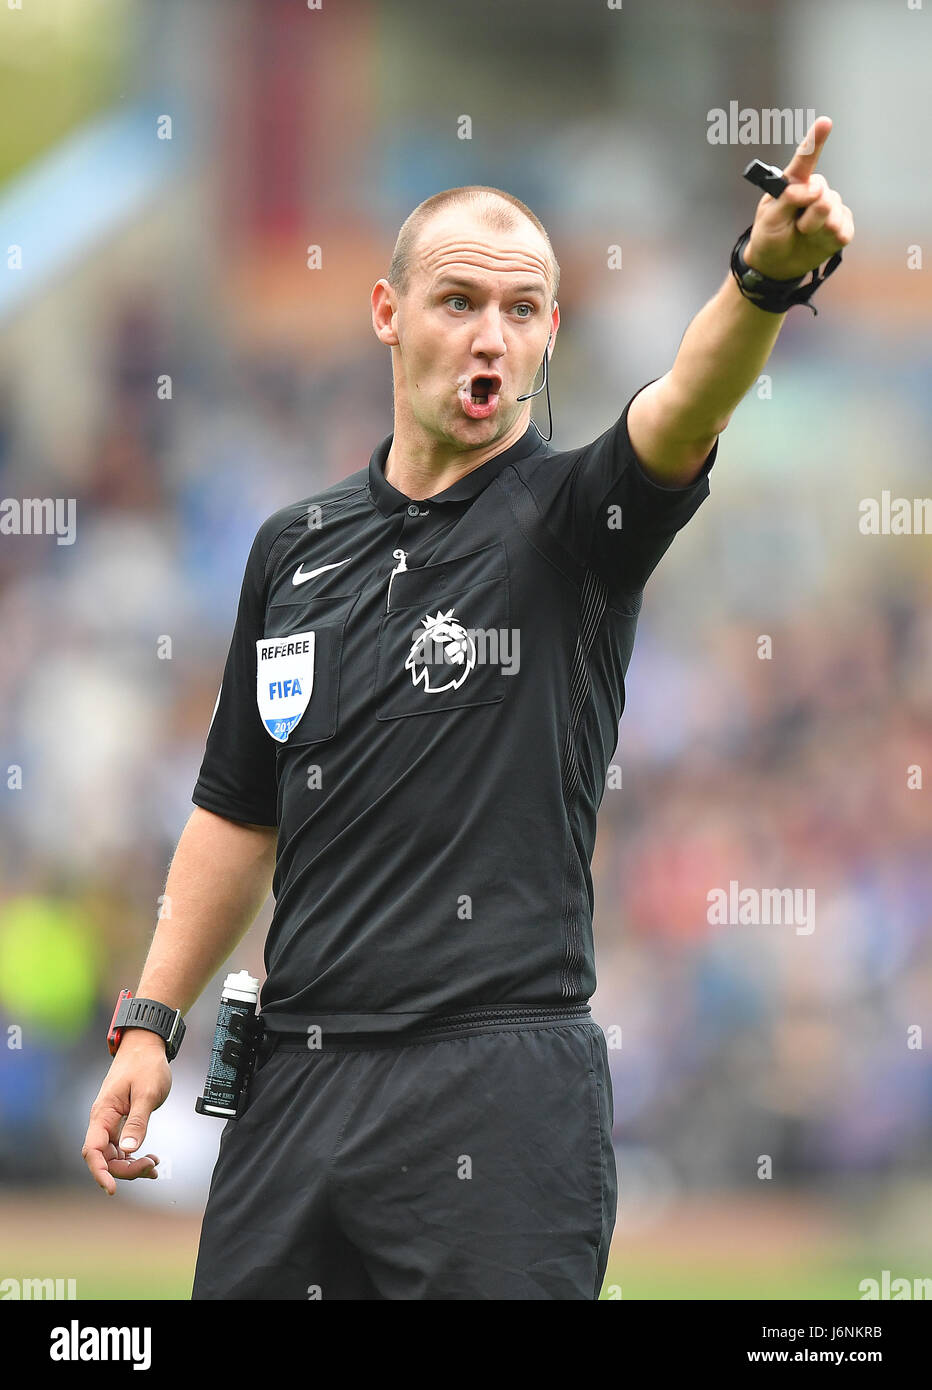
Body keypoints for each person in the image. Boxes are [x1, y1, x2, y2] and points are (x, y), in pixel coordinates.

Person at [82, 117, 852, 1300]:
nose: (491, 333)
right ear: (389, 315)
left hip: (496, 1096)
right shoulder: (295, 549)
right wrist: (149, 1019)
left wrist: (759, 281)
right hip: (295, 1086)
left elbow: (685, 404)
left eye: (523, 307)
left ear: (548, 333)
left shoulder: (573, 523)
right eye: (457, 301)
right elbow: (237, 812)